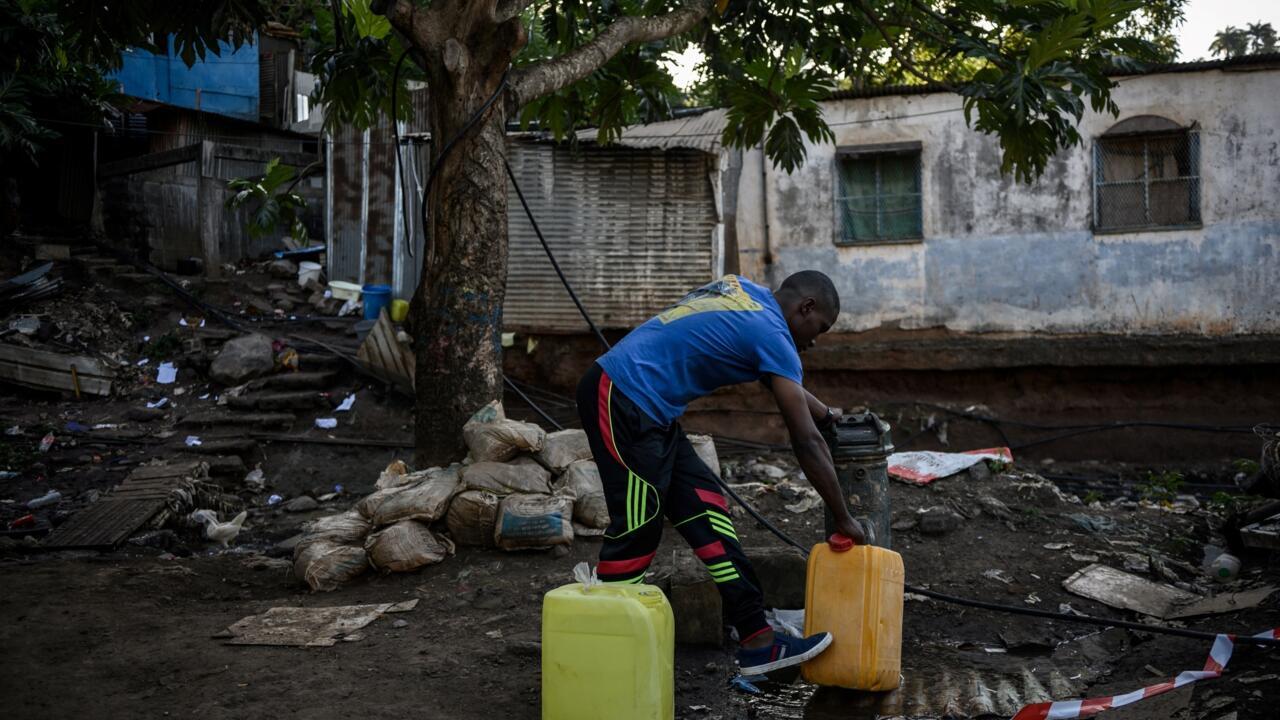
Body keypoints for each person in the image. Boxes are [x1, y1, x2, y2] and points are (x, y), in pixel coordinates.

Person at [576, 270, 864, 675]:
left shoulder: (746, 292)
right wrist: (843, 516)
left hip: (653, 412)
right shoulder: (774, 336)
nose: (815, 340)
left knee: (710, 517)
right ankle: (598, 658)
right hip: (621, 394)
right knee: (639, 525)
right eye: (820, 328)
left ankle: (758, 641)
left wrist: (827, 413)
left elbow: (774, 376)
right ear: (807, 307)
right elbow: (807, 441)